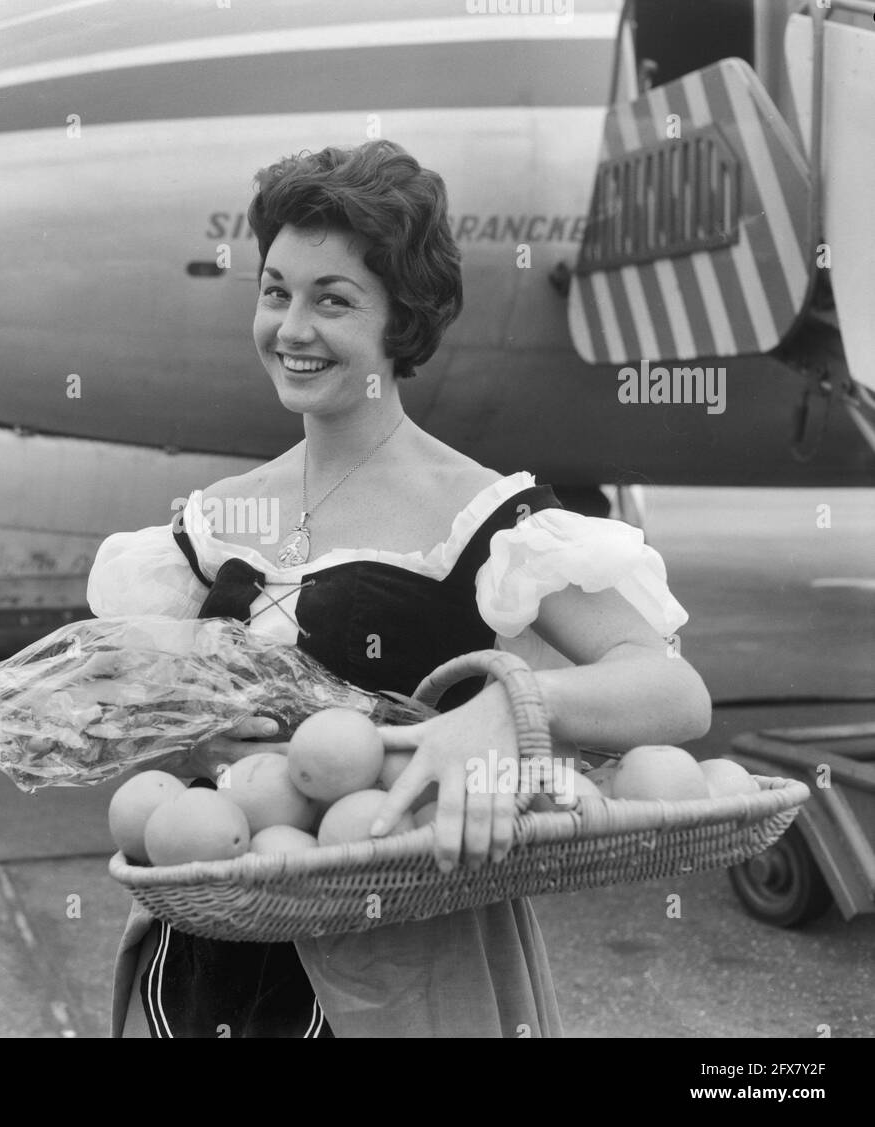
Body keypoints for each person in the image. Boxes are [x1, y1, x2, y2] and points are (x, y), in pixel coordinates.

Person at [86, 139, 711, 1038]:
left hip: (404, 975)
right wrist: (188, 726)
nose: (291, 328)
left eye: (331, 300)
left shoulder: (485, 516)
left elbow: (673, 691)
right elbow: (140, 702)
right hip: (205, 965)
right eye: (275, 291)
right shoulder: (216, 518)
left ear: (402, 321)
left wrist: (509, 711)